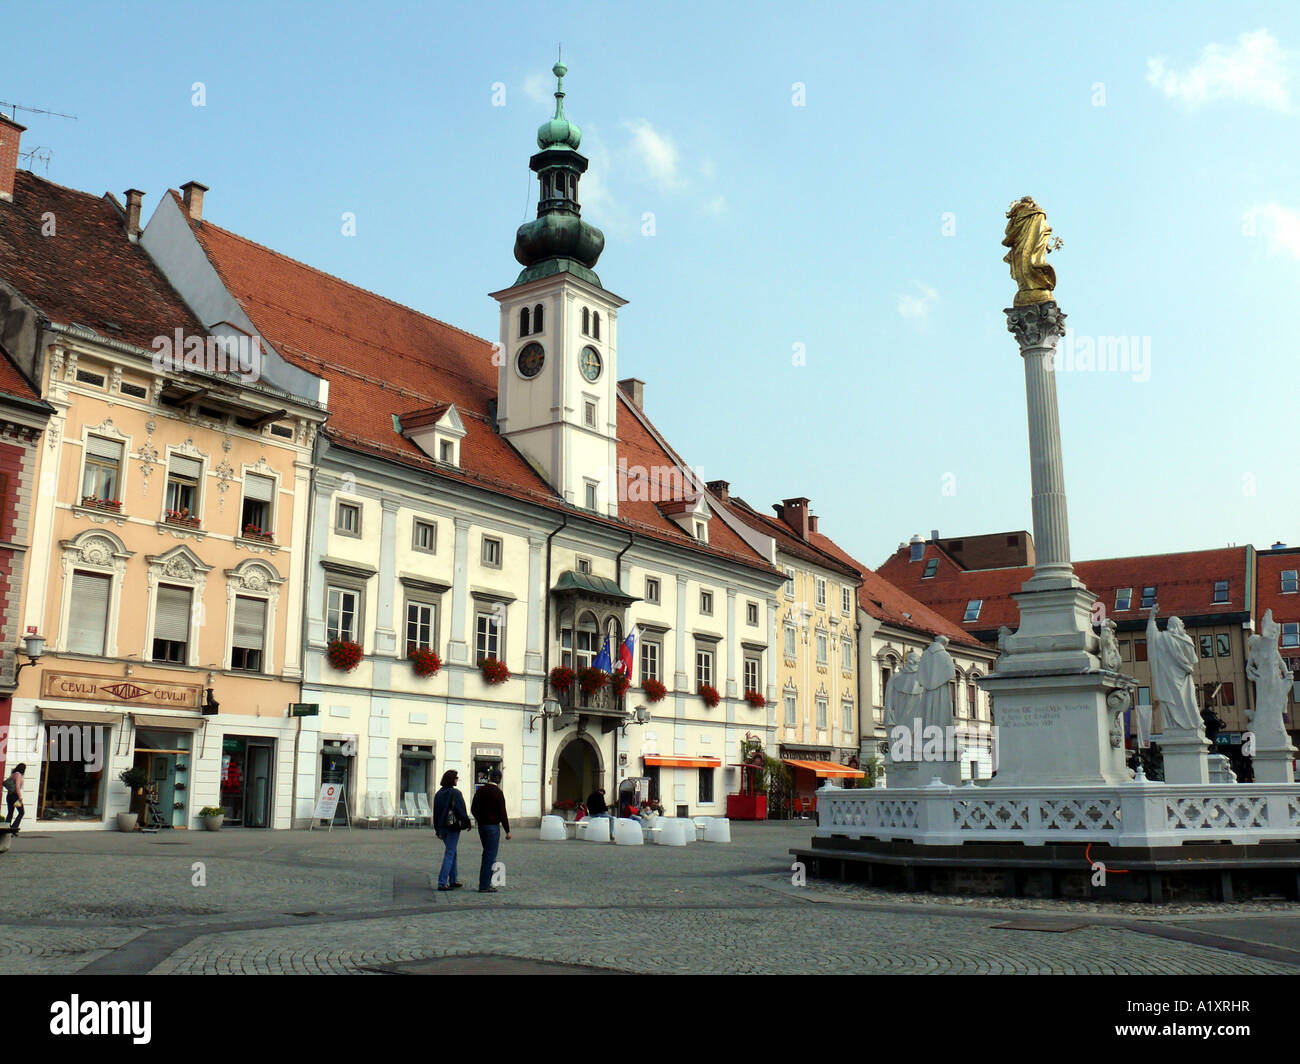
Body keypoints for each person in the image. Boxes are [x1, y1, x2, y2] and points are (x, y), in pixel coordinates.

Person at [469, 768, 511, 893]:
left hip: (482, 826)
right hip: (493, 826)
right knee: (490, 855)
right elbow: (503, 813)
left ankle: (485, 882)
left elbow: (473, 808)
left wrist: (479, 819)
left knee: (486, 853)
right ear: (499, 779)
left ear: (490, 777)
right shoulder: (498, 793)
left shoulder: (481, 790)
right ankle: (484, 885)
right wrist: (507, 830)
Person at [431, 769, 469, 892]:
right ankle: (442, 882)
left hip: (442, 827)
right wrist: (467, 822)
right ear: (452, 779)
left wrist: (437, 829)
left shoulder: (438, 794)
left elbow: (435, 813)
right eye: (456, 778)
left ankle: (453, 879)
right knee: (450, 853)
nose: (457, 779)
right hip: (452, 826)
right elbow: (461, 810)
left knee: (452, 852)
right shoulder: (455, 793)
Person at [3, 763, 24, 837]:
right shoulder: (18, 775)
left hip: (9, 796)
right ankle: (13, 829)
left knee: (10, 813)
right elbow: (17, 787)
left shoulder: (13, 774)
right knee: (21, 812)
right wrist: (20, 797)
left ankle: (6, 830)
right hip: (15, 797)